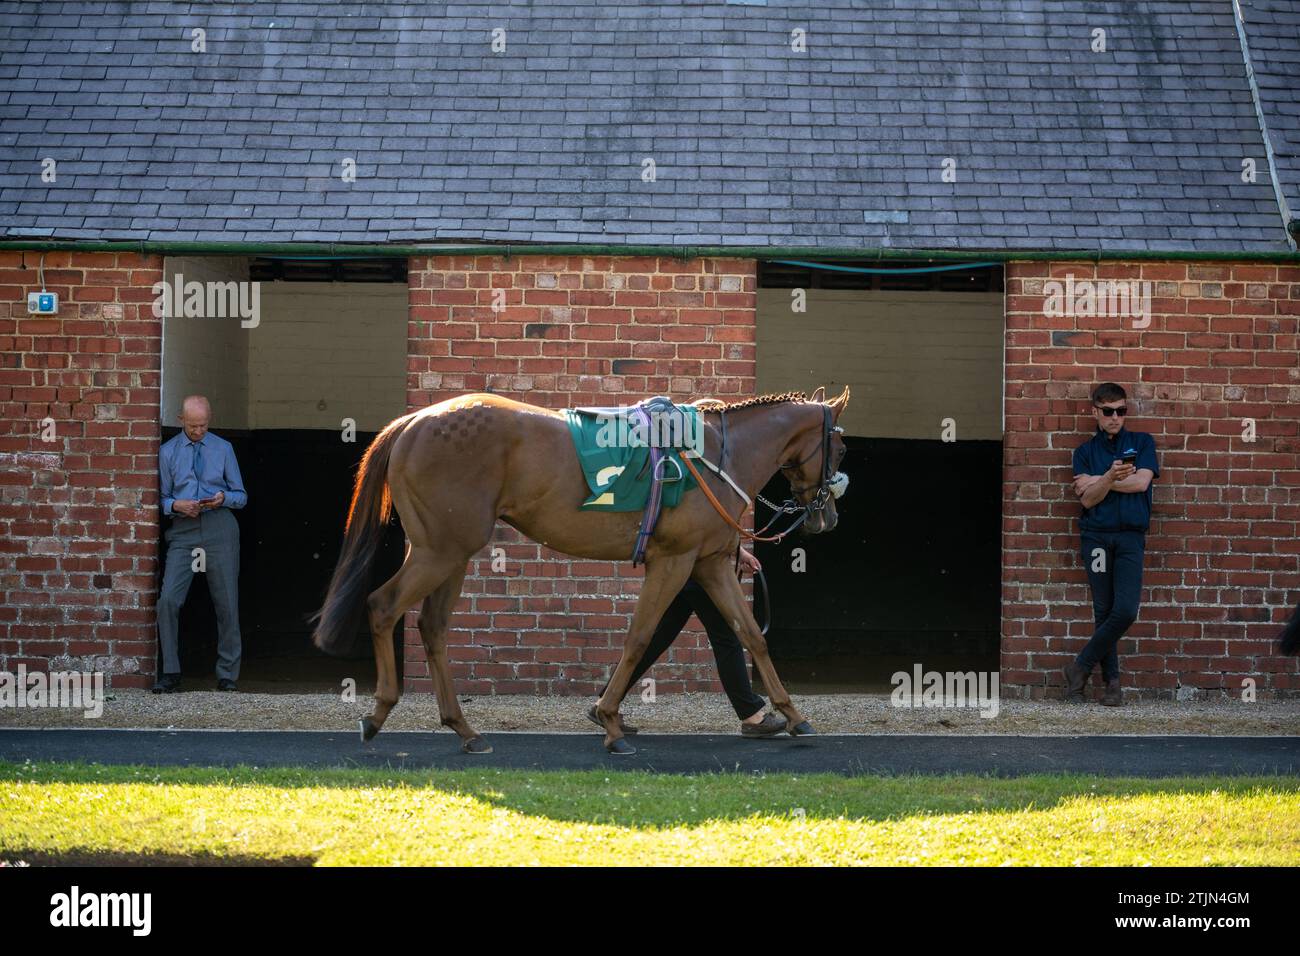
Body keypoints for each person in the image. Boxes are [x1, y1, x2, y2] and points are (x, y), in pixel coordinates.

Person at [588, 547, 788, 737]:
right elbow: (707, 522)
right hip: (700, 569)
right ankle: (751, 715)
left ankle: (604, 702)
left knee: (657, 638)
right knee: (726, 639)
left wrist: (739, 552)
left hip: (682, 568)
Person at [1065, 383, 1159, 706]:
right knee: (1103, 610)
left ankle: (1080, 667)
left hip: (1131, 536)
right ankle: (1112, 685)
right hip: (1096, 538)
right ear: (1096, 413)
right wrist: (1109, 478)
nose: (1115, 417)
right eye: (1108, 411)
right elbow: (1089, 499)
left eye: (1121, 410)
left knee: (1125, 610)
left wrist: (1101, 480)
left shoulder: (1142, 442)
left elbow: (1142, 482)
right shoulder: (1084, 453)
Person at [154, 395, 248, 693]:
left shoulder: (223, 448)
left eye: (203, 426)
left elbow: (241, 495)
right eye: (193, 426)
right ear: (181, 420)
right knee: (168, 599)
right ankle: (170, 671)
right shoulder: (167, 452)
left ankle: (228, 674)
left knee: (226, 602)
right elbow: (160, 498)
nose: (198, 431)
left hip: (219, 526)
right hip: (183, 530)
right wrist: (176, 505)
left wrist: (223, 498)